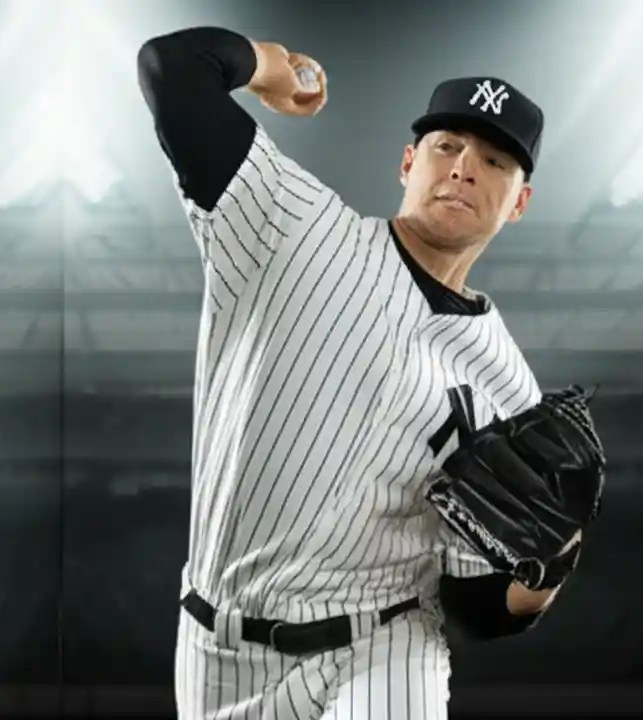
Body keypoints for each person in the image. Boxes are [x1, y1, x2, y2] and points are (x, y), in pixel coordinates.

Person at [137, 26, 579, 719]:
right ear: (409, 162)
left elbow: (478, 608)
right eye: (448, 146)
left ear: (519, 202)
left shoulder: (510, 392)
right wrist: (270, 68)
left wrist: (545, 573)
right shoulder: (293, 226)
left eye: (495, 161)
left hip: (382, 648)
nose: (465, 167)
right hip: (211, 648)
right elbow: (173, 69)